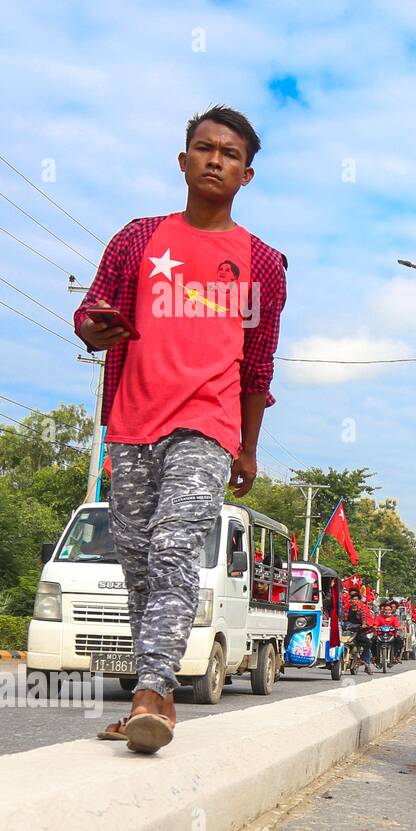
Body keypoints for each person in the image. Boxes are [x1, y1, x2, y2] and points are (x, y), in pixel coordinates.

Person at [81, 105, 286, 754]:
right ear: (183, 160)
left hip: (208, 426)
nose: (215, 159)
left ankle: (149, 694)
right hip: (133, 423)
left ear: (246, 174)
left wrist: (248, 446)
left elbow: (257, 364)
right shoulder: (138, 239)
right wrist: (98, 328)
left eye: (229, 153)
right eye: (204, 148)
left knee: (173, 551)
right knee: (137, 562)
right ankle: (159, 694)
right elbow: (92, 313)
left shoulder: (260, 263)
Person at [374, 599, 403, 666]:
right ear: (383, 610)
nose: (387, 611)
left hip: (391, 635)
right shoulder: (379, 618)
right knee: (372, 641)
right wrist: (375, 627)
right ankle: (374, 657)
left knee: (400, 641)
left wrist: (398, 627)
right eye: (386, 610)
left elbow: (397, 625)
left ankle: (396, 657)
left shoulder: (394, 618)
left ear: (391, 610)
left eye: (389, 610)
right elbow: (375, 624)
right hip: (380, 635)